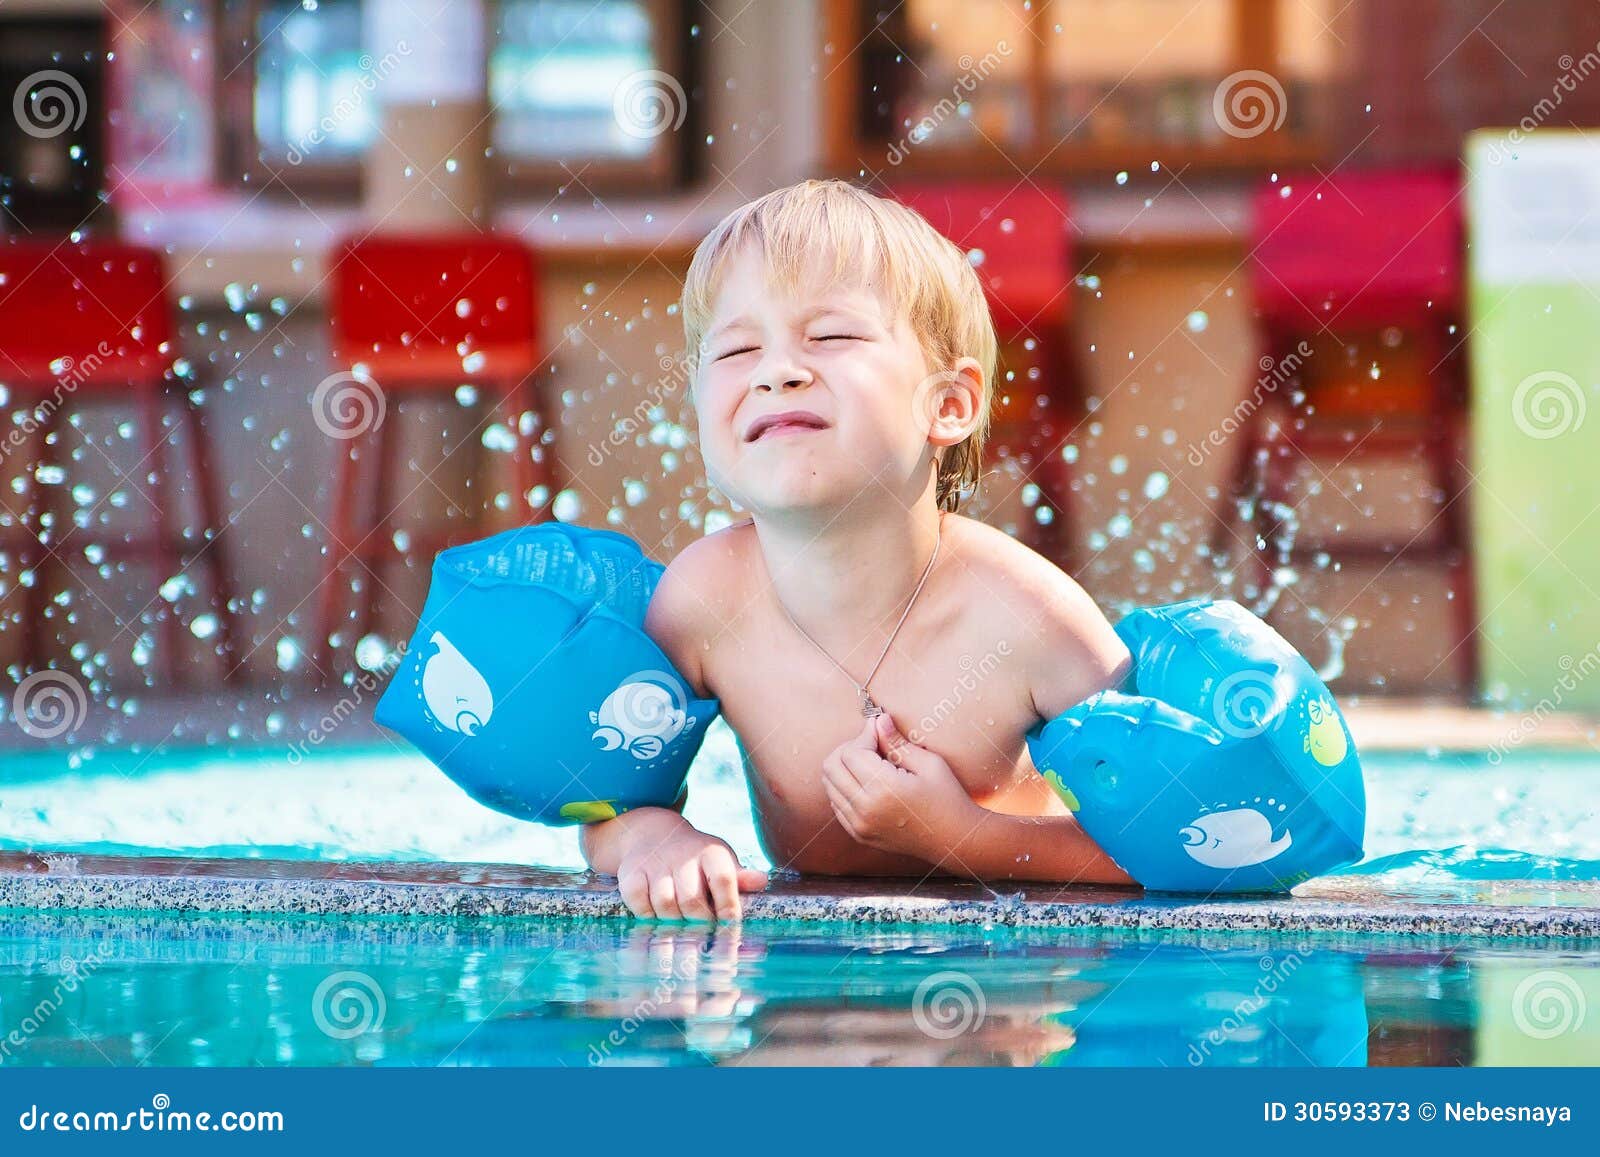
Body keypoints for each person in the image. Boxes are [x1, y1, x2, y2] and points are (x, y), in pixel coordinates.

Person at [580, 180, 1134, 921]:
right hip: (799, 1019)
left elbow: (1175, 840)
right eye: (738, 348)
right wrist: (660, 839)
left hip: (1007, 994)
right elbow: (602, 802)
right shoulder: (703, 601)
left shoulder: (1025, 615)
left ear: (949, 405)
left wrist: (967, 836)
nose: (777, 371)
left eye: (831, 336)